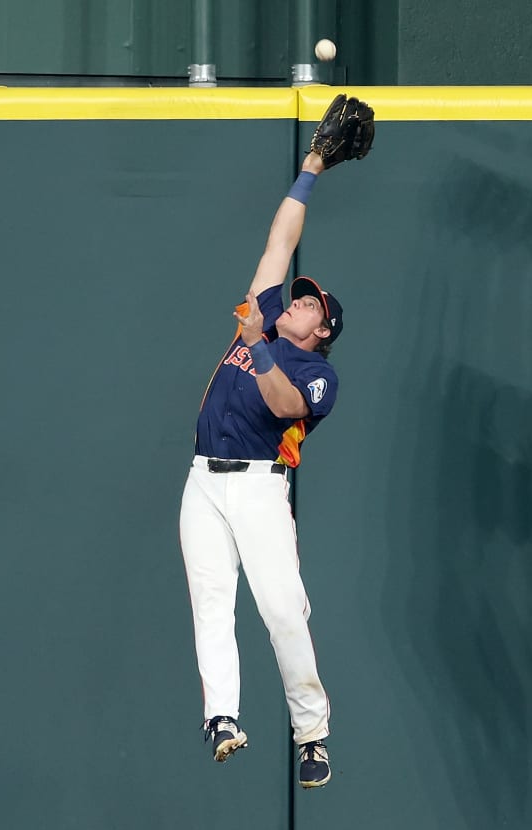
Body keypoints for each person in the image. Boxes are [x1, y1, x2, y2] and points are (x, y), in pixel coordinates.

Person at [179, 96, 372, 790]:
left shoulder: (317, 373)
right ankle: (222, 719)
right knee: (210, 600)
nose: (296, 298)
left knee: (283, 610)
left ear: (322, 330)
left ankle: (312, 734)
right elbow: (279, 242)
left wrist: (259, 349)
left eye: (310, 304)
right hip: (204, 480)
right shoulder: (263, 312)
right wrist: (313, 166)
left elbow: (284, 404)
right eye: (298, 296)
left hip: (260, 487)